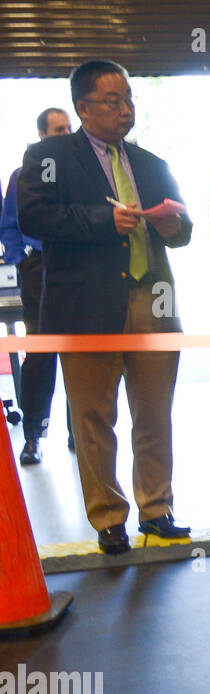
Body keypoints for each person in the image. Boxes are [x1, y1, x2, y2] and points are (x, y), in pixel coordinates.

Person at [17, 60, 193, 555]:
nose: (124, 110)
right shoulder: (49, 155)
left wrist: (172, 227)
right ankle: (108, 517)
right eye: (112, 101)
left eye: (129, 99)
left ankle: (156, 509)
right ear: (83, 108)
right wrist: (100, 220)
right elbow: (34, 216)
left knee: (155, 412)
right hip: (87, 304)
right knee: (94, 417)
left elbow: (185, 229)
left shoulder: (151, 162)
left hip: (153, 301)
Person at [3, 106, 71, 465]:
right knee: (41, 355)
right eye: (56, 129)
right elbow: (9, 225)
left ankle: (80, 434)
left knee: (83, 353)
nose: (63, 134)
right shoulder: (23, 174)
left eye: (67, 128)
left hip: (79, 270)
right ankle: (33, 436)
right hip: (39, 270)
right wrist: (23, 258)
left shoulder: (80, 172)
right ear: (42, 135)